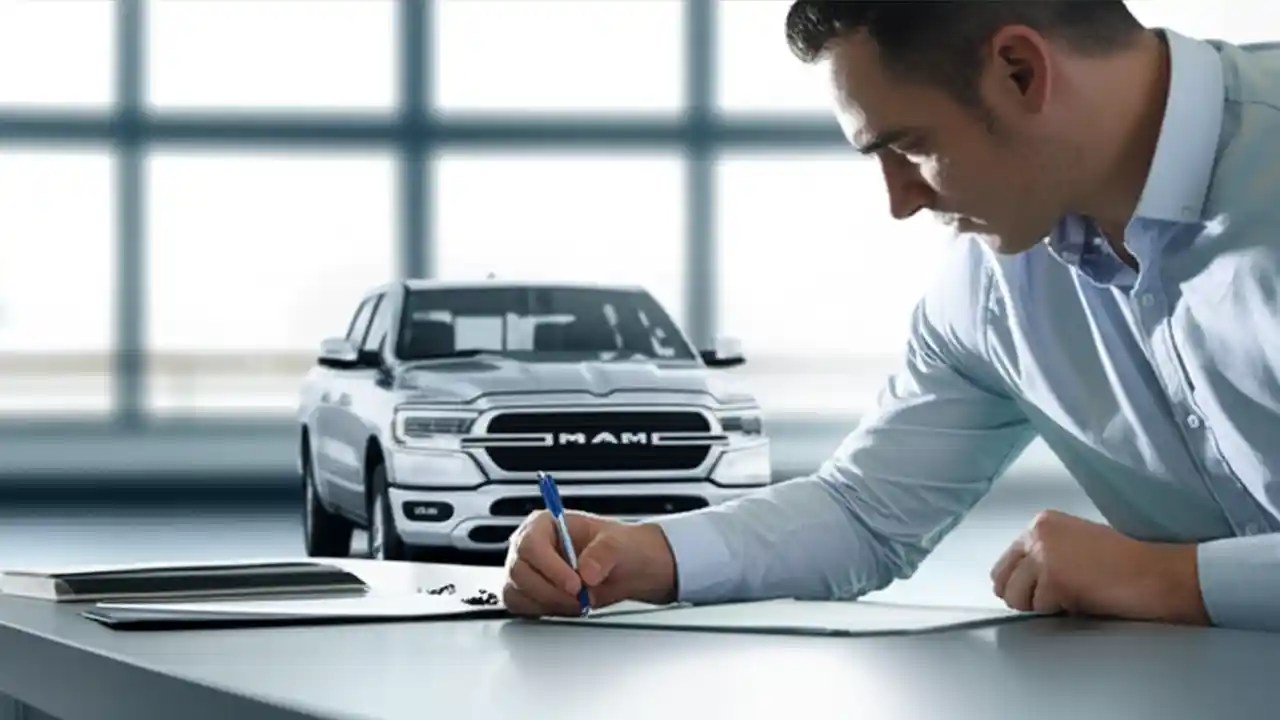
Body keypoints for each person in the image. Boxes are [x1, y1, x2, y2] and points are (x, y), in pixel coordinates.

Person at [502, 0, 1280, 632]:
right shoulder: (994, 278)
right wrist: (644, 554)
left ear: (1020, 71)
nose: (900, 201)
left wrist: (1169, 580)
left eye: (909, 147)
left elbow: (1167, 585)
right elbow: (867, 512)